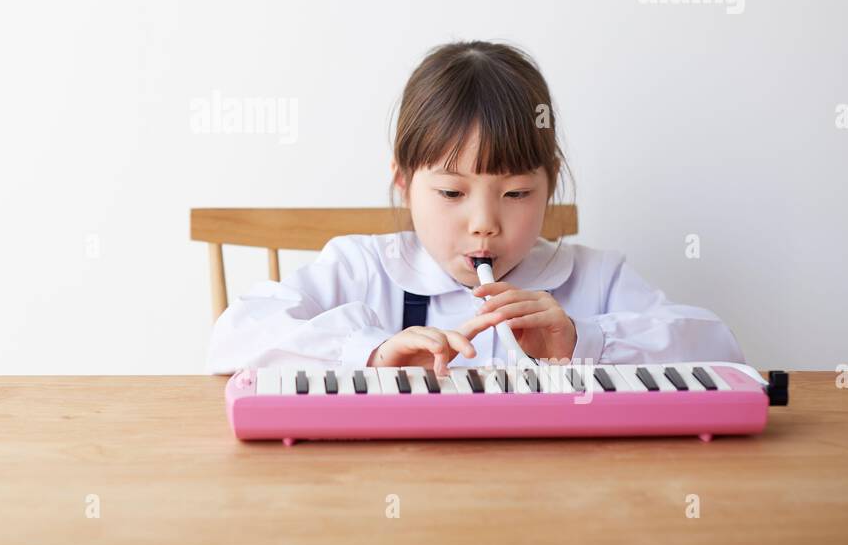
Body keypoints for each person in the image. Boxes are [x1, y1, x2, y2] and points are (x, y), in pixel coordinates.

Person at [205, 40, 745, 377]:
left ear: (550, 183)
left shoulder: (595, 278)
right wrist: (369, 352)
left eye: (515, 194)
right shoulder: (360, 269)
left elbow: (722, 351)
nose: (484, 222)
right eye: (451, 193)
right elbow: (234, 336)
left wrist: (582, 341)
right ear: (402, 180)